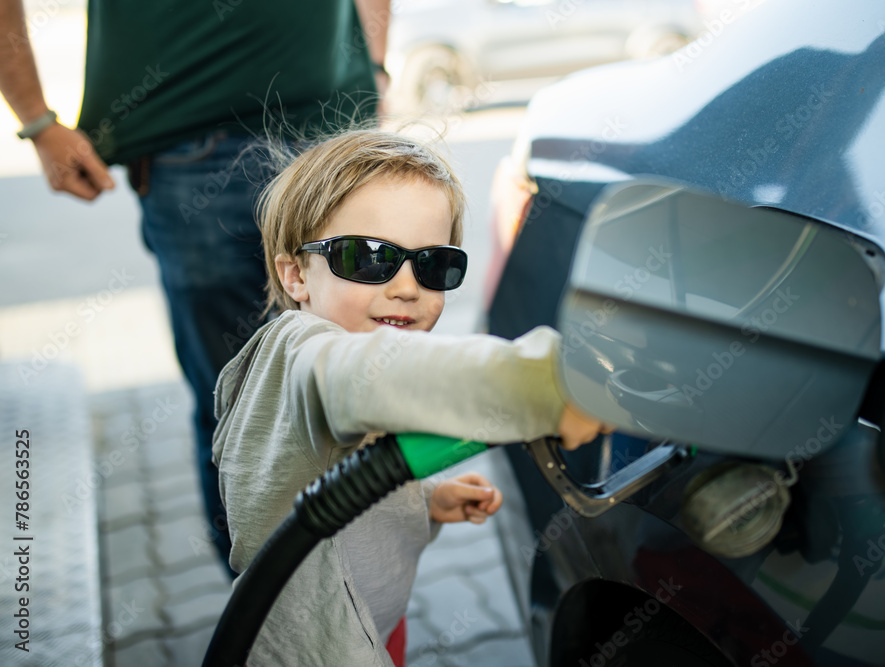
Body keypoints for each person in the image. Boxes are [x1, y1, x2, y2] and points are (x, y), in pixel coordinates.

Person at [0, 0, 392, 576]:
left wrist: (375, 67)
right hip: (193, 149)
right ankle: (262, 608)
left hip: (329, 129)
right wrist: (34, 119)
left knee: (355, 377)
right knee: (238, 399)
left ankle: (359, 579)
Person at [212, 128, 609, 665]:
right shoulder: (305, 354)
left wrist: (424, 501)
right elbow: (374, 376)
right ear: (296, 275)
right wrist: (547, 385)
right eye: (370, 258)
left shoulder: (347, 353)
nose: (406, 287)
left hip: (372, 628)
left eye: (432, 265)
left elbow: (338, 477)